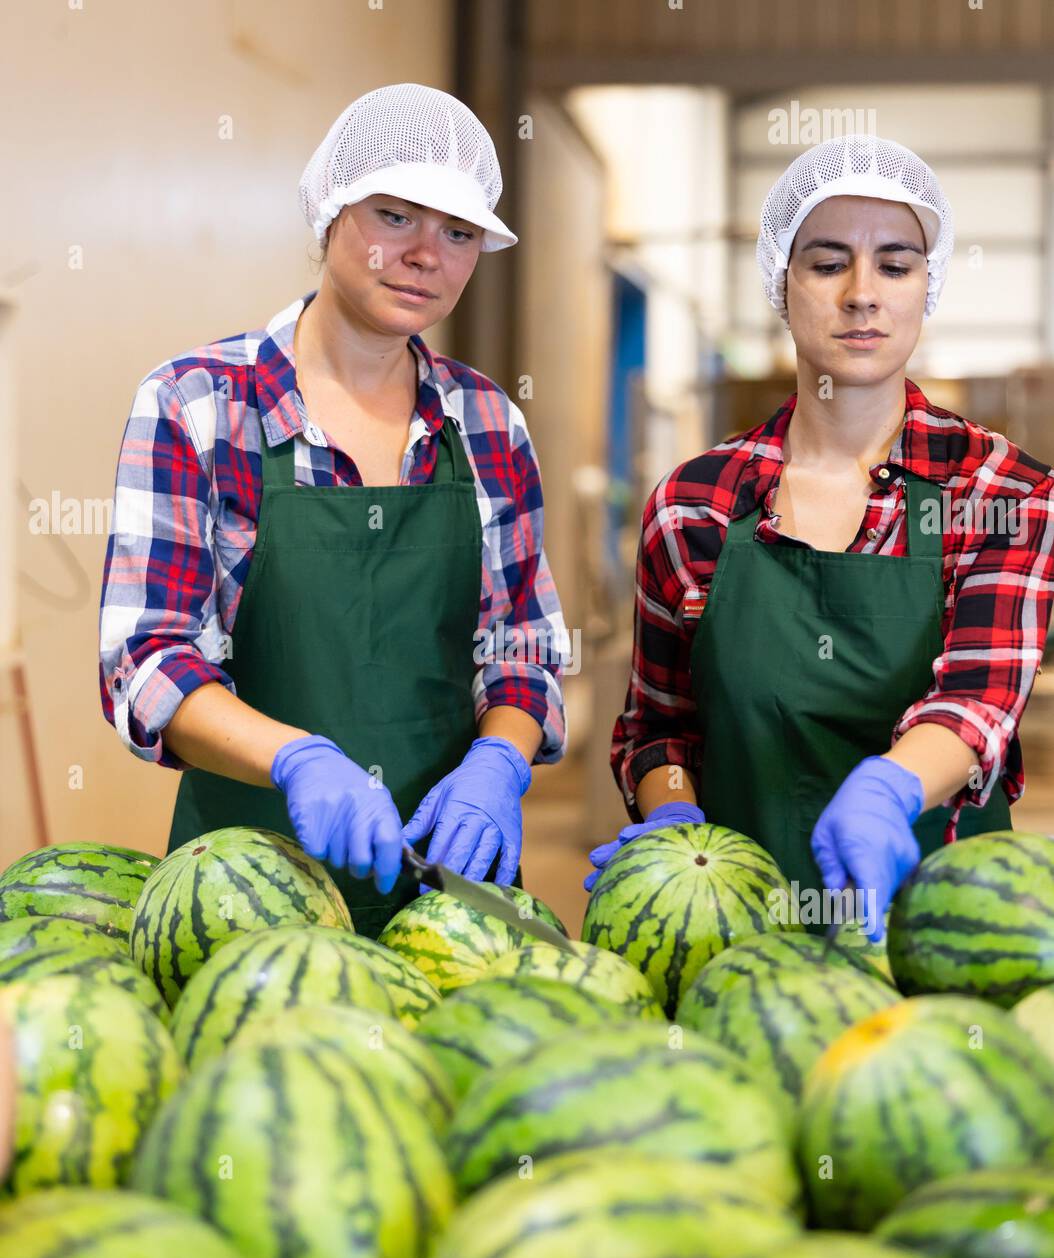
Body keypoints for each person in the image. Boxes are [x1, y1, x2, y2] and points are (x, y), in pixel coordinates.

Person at [99, 83, 567, 937]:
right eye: (396, 217)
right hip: (244, 900)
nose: (429, 254)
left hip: (450, 893)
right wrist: (296, 758)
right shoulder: (198, 405)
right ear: (330, 212)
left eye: (459, 232)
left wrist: (501, 757)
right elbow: (147, 662)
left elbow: (520, 652)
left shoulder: (488, 421)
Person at [588, 134, 1054, 941]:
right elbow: (659, 727)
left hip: (939, 934)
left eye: (897, 265)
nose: (862, 295)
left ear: (926, 287)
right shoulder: (694, 506)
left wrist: (890, 791)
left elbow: (977, 701)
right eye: (828, 262)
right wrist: (675, 828)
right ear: (782, 281)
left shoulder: (999, 493)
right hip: (731, 939)